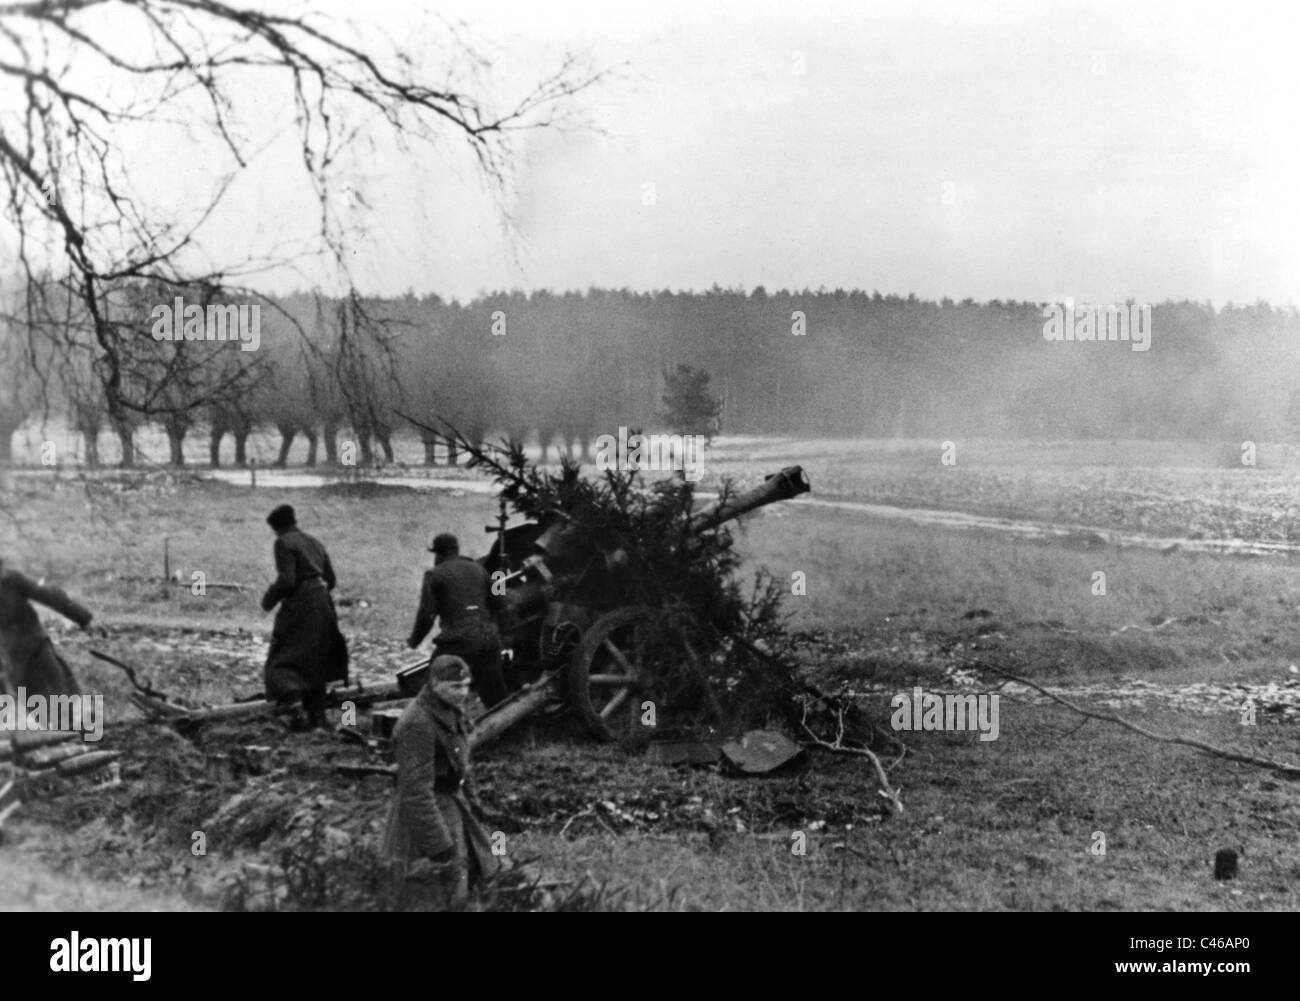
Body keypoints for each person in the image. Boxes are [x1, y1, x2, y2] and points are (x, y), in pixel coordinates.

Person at [382, 657, 501, 909]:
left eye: (466, 686)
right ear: (435, 684)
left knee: (477, 871)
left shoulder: (448, 709)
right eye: (455, 687)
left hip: (451, 802)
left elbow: (462, 760)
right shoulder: (417, 723)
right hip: (424, 815)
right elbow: (415, 791)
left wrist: (474, 802)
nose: (463, 693)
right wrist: (439, 844)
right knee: (429, 888)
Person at [260, 505, 349, 730]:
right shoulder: (314, 542)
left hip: (301, 603)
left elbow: (287, 581)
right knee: (316, 656)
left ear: (276, 528)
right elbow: (331, 579)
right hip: (323, 604)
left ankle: (294, 708)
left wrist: (269, 600)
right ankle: (317, 715)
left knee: (284, 655)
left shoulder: (283, 543)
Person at [407, 532, 508, 709]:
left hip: (458, 641)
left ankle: (431, 728)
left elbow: (426, 617)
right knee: (495, 695)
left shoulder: (434, 575)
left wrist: (414, 641)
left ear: (439, 554)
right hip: (489, 638)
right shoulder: (479, 569)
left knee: (432, 686)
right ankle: (508, 729)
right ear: (456, 550)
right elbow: (499, 601)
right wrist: (500, 573)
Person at [0, 558, 94, 699]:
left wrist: (83, 618)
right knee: (26, 698)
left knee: (57, 680)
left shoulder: (13, 580)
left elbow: (49, 595)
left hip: (36, 644)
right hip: (13, 657)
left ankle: (75, 715)